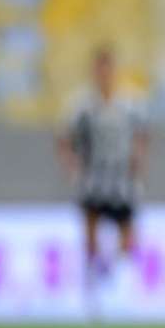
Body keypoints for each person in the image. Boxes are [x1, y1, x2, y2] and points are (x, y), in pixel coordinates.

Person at [55, 47, 149, 280]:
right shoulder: (82, 105)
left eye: (108, 69)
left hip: (122, 179)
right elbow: (64, 138)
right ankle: (94, 278)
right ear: (94, 72)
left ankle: (114, 273)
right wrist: (72, 165)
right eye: (100, 69)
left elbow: (142, 135)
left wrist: (139, 159)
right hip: (94, 178)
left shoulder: (130, 103)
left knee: (129, 239)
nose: (104, 74)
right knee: (90, 234)